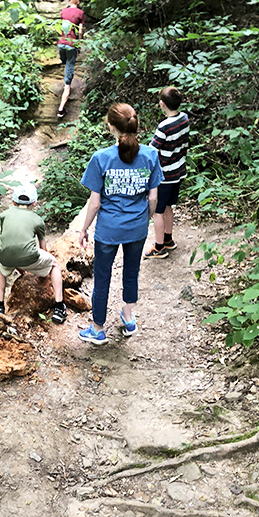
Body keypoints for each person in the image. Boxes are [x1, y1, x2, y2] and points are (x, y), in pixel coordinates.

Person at [78, 102, 163, 345]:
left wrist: (84, 228)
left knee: (102, 277)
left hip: (108, 229)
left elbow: (95, 203)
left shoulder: (101, 158)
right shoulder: (150, 155)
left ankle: (98, 329)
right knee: (132, 271)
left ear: (111, 126)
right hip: (137, 227)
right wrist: (146, 218)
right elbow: (153, 198)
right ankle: (128, 317)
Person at [0, 183, 67, 325]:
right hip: (29, 257)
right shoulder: (37, 220)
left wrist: (20, 269)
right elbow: (43, 248)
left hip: (6, 257)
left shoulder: (4, 215)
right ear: (34, 202)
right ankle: (59, 307)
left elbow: (10, 241)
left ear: (13, 202)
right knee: (54, 264)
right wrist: (43, 269)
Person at [145, 86, 190, 260]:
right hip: (178, 170)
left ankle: (159, 247)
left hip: (164, 175)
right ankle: (168, 239)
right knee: (168, 206)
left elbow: (152, 150)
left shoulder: (164, 126)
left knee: (158, 211)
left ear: (162, 104)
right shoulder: (184, 118)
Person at [57, 0, 85, 118]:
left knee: (64, 61)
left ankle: (66, 71)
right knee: (68, 79)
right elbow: (80, 31)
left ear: (70, 1)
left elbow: (60, 27)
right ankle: (61, 109)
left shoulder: (63, 11)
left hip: (61, 44)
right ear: (78, 2)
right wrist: (79, 43)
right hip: (71, 45)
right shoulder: (80, 13)